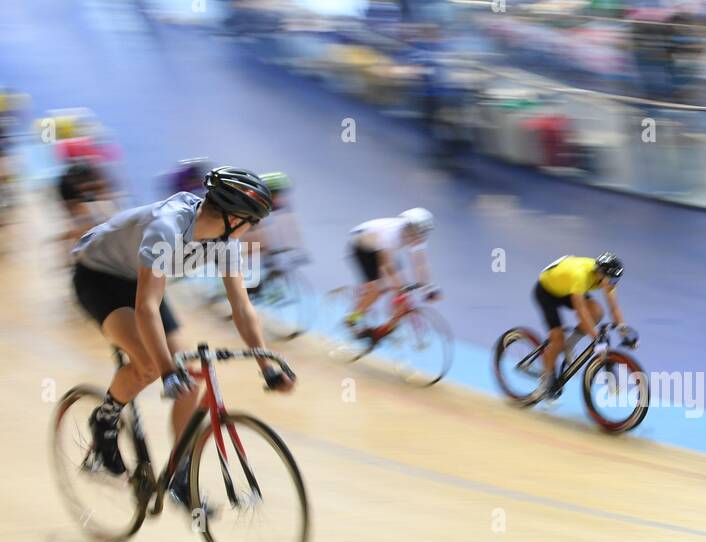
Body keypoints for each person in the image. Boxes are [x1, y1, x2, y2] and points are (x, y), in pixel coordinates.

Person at [72, 166, 294, 506]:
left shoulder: (226, 241)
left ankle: (179, 474)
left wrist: (267, 365)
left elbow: (242, 308)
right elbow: (146, 308)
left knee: (189, 378)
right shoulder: (168, 228)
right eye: (254, 220)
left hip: (141, 279)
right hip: (100, 276)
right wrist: (164, 371)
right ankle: (104, 420)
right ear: (234, 217)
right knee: (148, 364)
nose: (255, 228)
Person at [533, 252, 630, 400]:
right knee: (557, 340)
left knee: (597, 312)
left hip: (566, 288)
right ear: (600, 274)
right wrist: (596, 338)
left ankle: (569, 345)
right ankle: (546, 380)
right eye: (611, 281)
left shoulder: (606, 280)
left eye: (616, 281)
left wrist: (624, 330)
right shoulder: (581, 275)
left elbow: (614, 308)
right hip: (547, 291)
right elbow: (581, 311)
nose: (613, 285)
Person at [345, 207, 435, 338]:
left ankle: (383, 331)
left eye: (418, 234)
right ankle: (352, 318)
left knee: (401, 290)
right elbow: (387, 266)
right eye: (411, 232)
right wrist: (399, 288)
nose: (414, 237)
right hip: (363, 247)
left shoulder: (418, 236)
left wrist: (428, 287)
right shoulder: (391, 234)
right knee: (378, 289)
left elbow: (421, 263)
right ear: (405, 226)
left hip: (384, 250)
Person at [243, 171, 306, 297]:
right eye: (278, 194)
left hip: (250, 230)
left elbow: (287, 223)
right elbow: (252, 230)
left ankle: (252, 287)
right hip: (240, 230)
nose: (280, 198)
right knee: (258, 243)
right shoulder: (253, 201)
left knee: (264, 247)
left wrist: (294, 248)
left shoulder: (274, 203)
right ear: (269, 193)